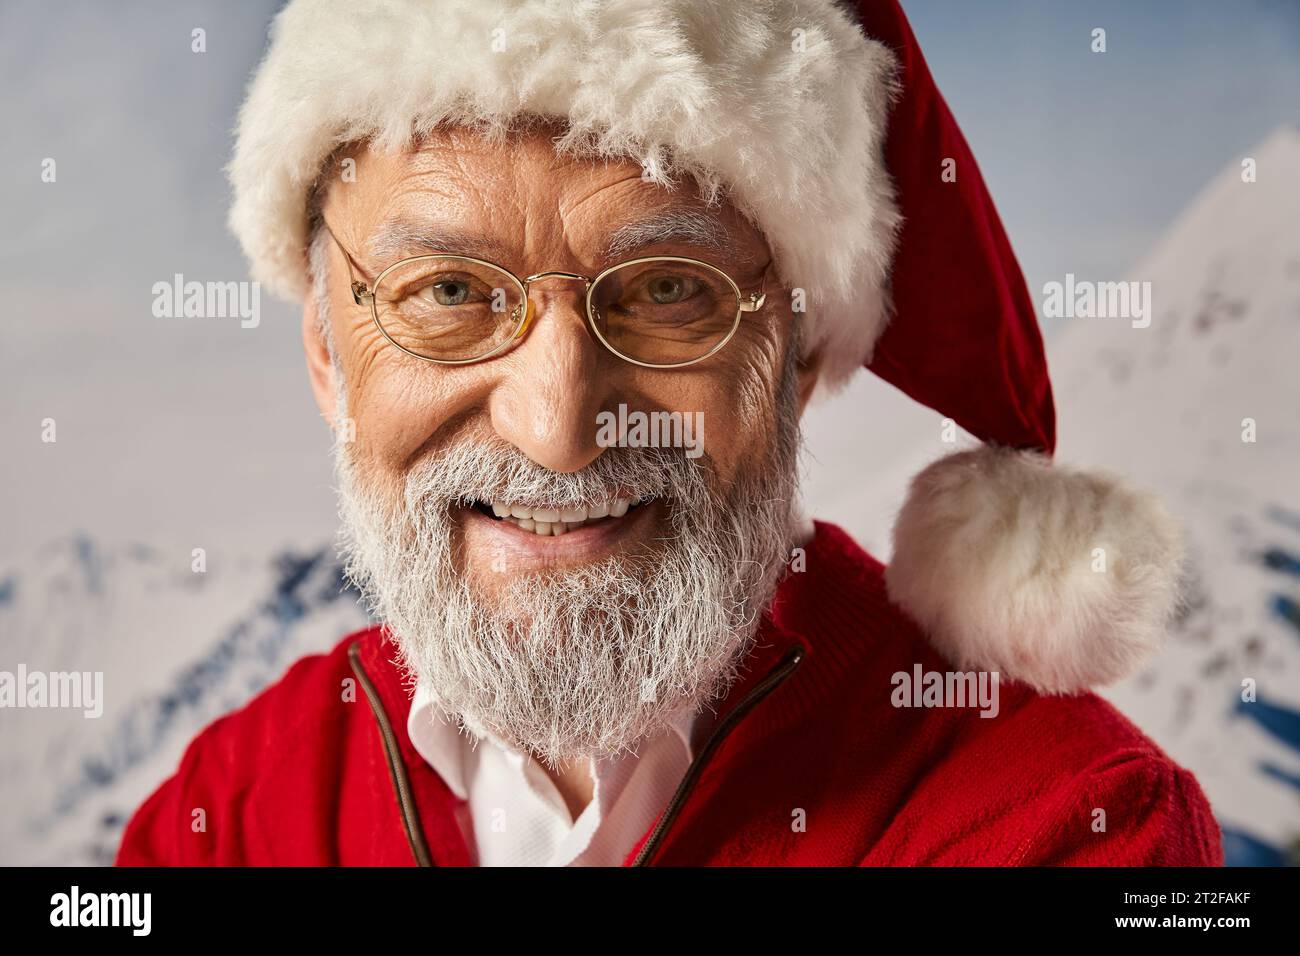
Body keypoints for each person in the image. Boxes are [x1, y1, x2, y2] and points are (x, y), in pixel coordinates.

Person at [116, 0, 1222, 866]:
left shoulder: (1066, 823)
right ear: (326, 353)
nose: (555, 428)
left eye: (666, 290)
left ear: (792, 349)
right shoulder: (227, 810)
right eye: (448, 288)